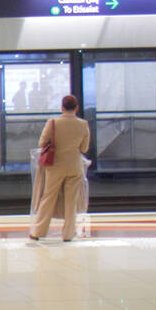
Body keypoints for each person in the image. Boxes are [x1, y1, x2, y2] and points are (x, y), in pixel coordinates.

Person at [30, 94, 91, 242]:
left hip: (55, 166)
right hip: (75, 167)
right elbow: (84, 148)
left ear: (62, 107)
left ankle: (38, 231)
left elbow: (42, 143)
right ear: (76, 108)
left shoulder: (53, 123)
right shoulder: (83, 124)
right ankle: (68, 234)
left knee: (48, 197)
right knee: (71, 201)